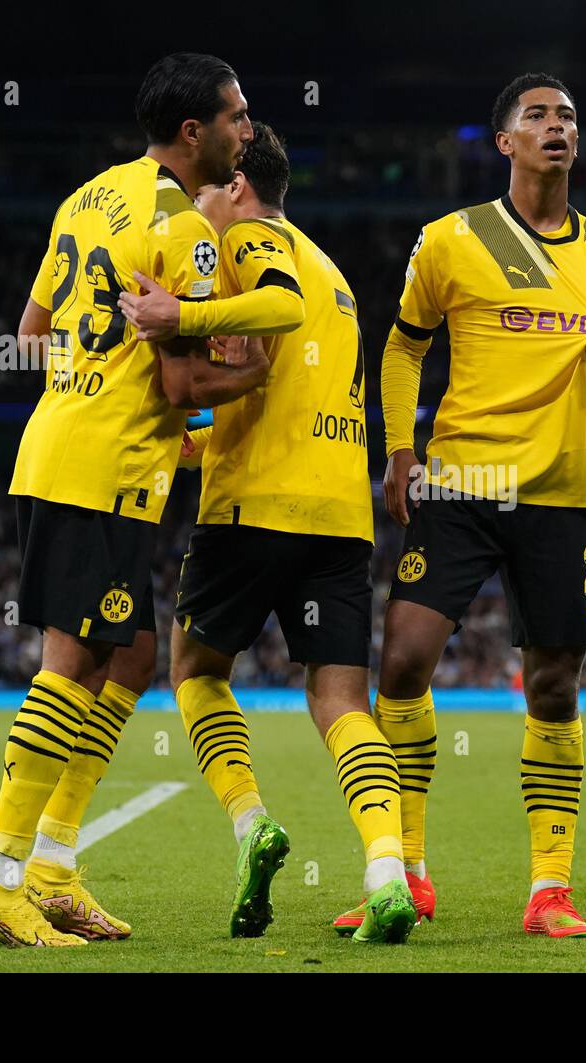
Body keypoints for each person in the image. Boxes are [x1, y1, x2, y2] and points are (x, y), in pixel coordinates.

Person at [0, 53, 258, 947]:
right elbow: (180, 382)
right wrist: (253, 371)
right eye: (237, 116)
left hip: (64, 447)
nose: (248, 130)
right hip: (106, 468)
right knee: (75, 660)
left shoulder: (87, 198)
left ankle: (50, 867)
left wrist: (92, 388)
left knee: (125, 655)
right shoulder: (190, 233)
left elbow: (30, 333)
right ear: (194, 132)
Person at [369, 73, 586, 939]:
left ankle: (550, 890)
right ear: (506, 142)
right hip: (461, 480)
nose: (557, 126)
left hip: (565, 489)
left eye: (568, 116)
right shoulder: (450, 242)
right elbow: (403, 346)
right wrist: (398, 449)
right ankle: (409, 872)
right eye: (538, 116)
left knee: (554, 681)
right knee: (404, 660)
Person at [119, 125, 416, 943]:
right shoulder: (339, 275)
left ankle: (253, 821)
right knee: (340, 700)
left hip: (252, 505)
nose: (199, 202)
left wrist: (185, 311)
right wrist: (203, 437)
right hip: (338, 515)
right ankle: (387, 869)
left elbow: (269, 319)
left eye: (209, 187)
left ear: (239, 183)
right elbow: (280, 384)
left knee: (196, 669)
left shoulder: (250, 241)